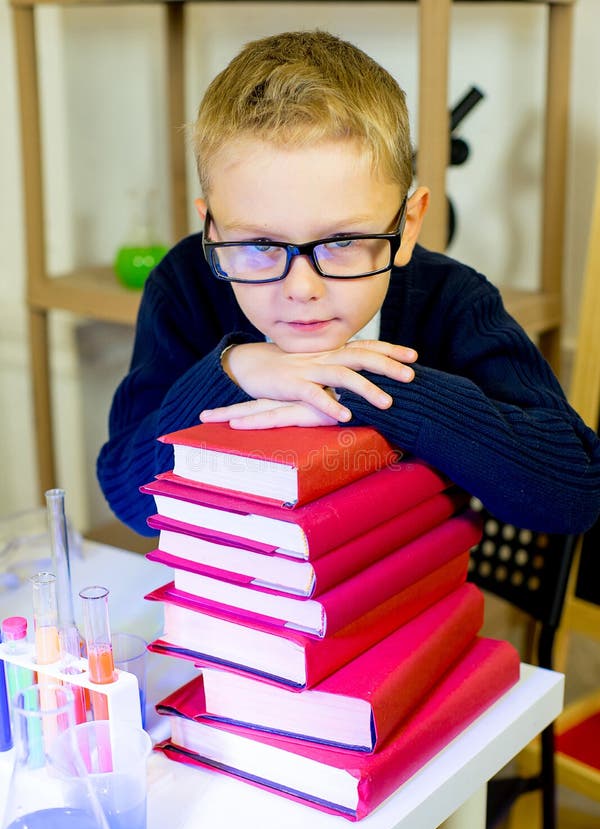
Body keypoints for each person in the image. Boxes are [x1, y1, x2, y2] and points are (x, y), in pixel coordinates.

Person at [97, 30, 600, 538]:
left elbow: (574, 496)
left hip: (397, 592)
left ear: (407, 225)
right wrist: (233, 370)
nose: (301, 288)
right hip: (240, 602)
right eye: (260, 244)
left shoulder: (454, 301)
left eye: (341, 241)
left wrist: (368, 387)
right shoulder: (186, 283)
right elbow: (126, 495)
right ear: (213, 228)